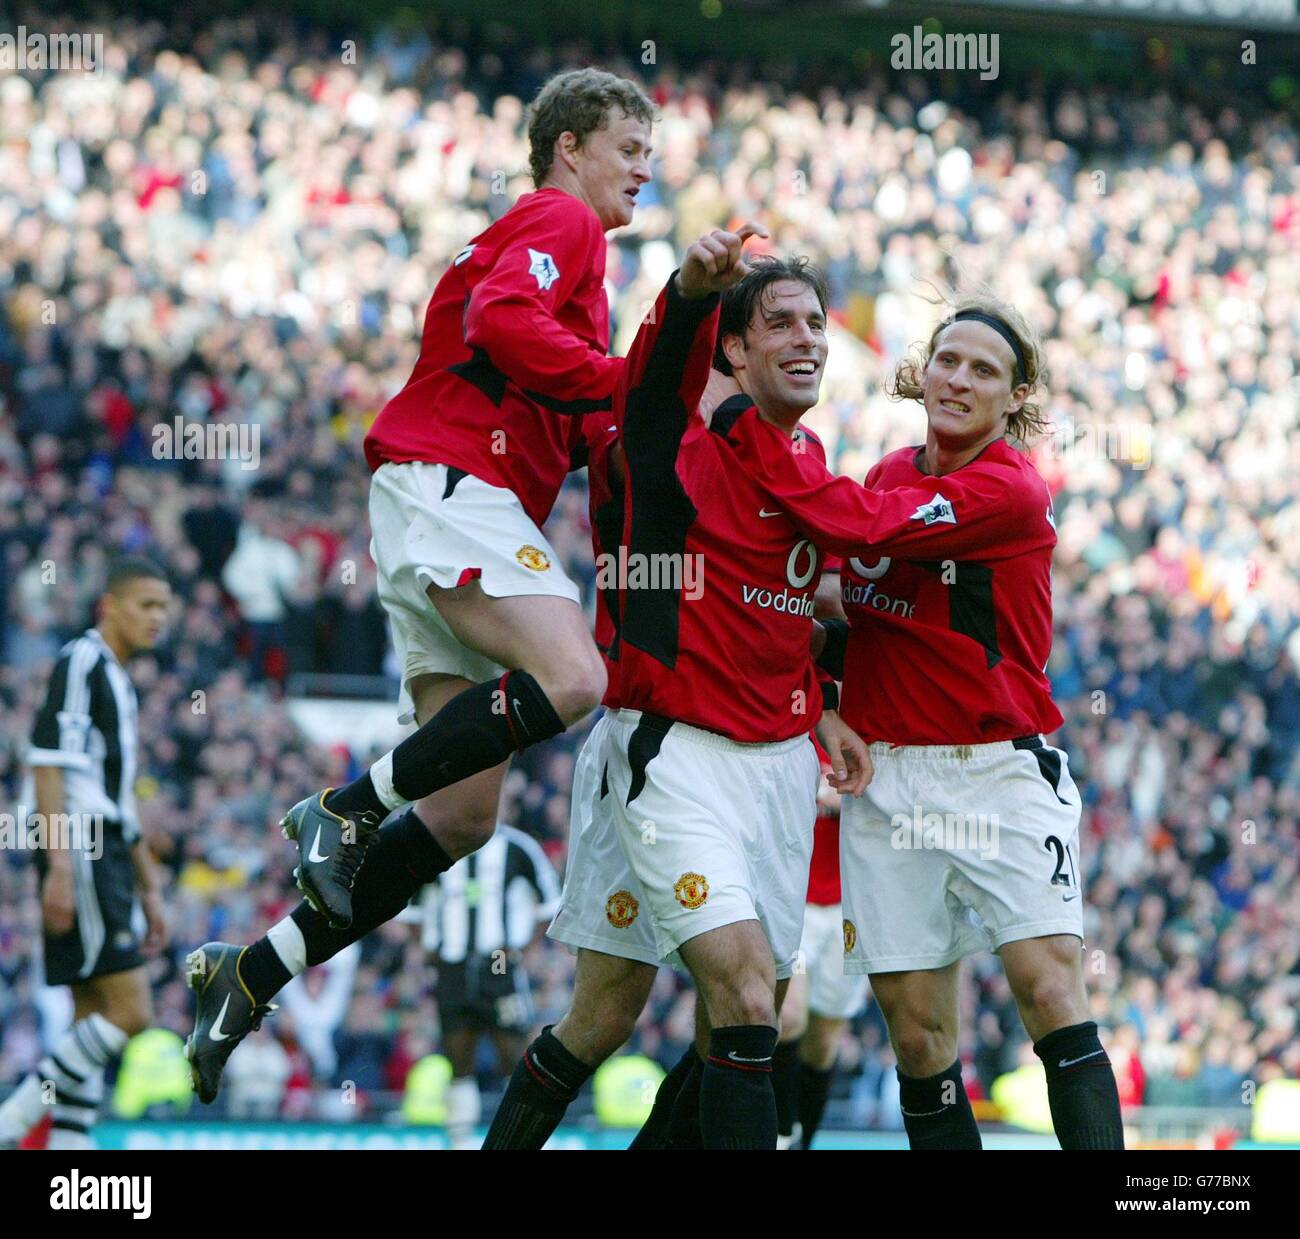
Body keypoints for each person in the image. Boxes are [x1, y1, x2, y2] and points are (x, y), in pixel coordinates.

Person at [185, 66, 657, 1102]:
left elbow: (561, 408)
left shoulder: (568, 252)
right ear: (569, 145)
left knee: (460, 820)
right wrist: (631, 380)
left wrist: (641, 413)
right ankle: (344, 806)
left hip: (445, 497)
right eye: (630, 148)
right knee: (576, 680)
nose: (645, 171)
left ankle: (249, 972)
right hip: (457, 484)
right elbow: (500, 321)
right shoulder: (558, 219)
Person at [719, 291, 1126, 1150]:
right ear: (924, 369)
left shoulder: (1008, 487)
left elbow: (860, 528)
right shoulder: (891, 474)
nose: (960, 379)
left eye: (986, 370)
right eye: (949, 359)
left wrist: (741, 424)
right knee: (917, 1037)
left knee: (1050, 993)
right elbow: (853, 603)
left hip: (996, 771)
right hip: (891, 778)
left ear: (1015, 397)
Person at [485, 250, 872, 1151]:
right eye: (779, 322)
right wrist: (690, 291)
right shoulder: (665, 444)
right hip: (673, 752)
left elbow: (776, 618)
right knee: (742, 999)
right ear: (730, 351)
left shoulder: (804, 456)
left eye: (815, 323)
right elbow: (655, 380)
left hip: (777, 766)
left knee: (615, 1017)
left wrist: (823, 700)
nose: (806, 338)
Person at [0, 558, 172, 1149]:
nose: (159, 618)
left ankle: (68, 1149)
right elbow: (48, 763)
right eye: (147, 604)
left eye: (165, 607)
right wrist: (60, 866)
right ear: (110, 605)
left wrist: (150, 887)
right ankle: (14, 1119)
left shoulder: (119, 679)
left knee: (89, 1014)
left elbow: (120, 800)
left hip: (109, 852)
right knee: (132, 1013)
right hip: (82, 846)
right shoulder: (82, 660)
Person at [412, 823, 560, 1148]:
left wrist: (523, 950)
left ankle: (525, 1139)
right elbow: (413, 907)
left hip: (500, 964)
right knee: (458, 1058)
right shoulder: (437, 845)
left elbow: (550, 902)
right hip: (452, 965)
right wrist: (429, 953)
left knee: (514, 1054)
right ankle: (461, 1142)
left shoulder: (518, 847)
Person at [772, 742, 871, 1150]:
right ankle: (779, 1133)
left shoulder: (871, 726)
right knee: (789, 1015)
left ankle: (802, 1140)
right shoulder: (798, 723)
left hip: (851, 906)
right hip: (794, 900)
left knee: (823, 1043)